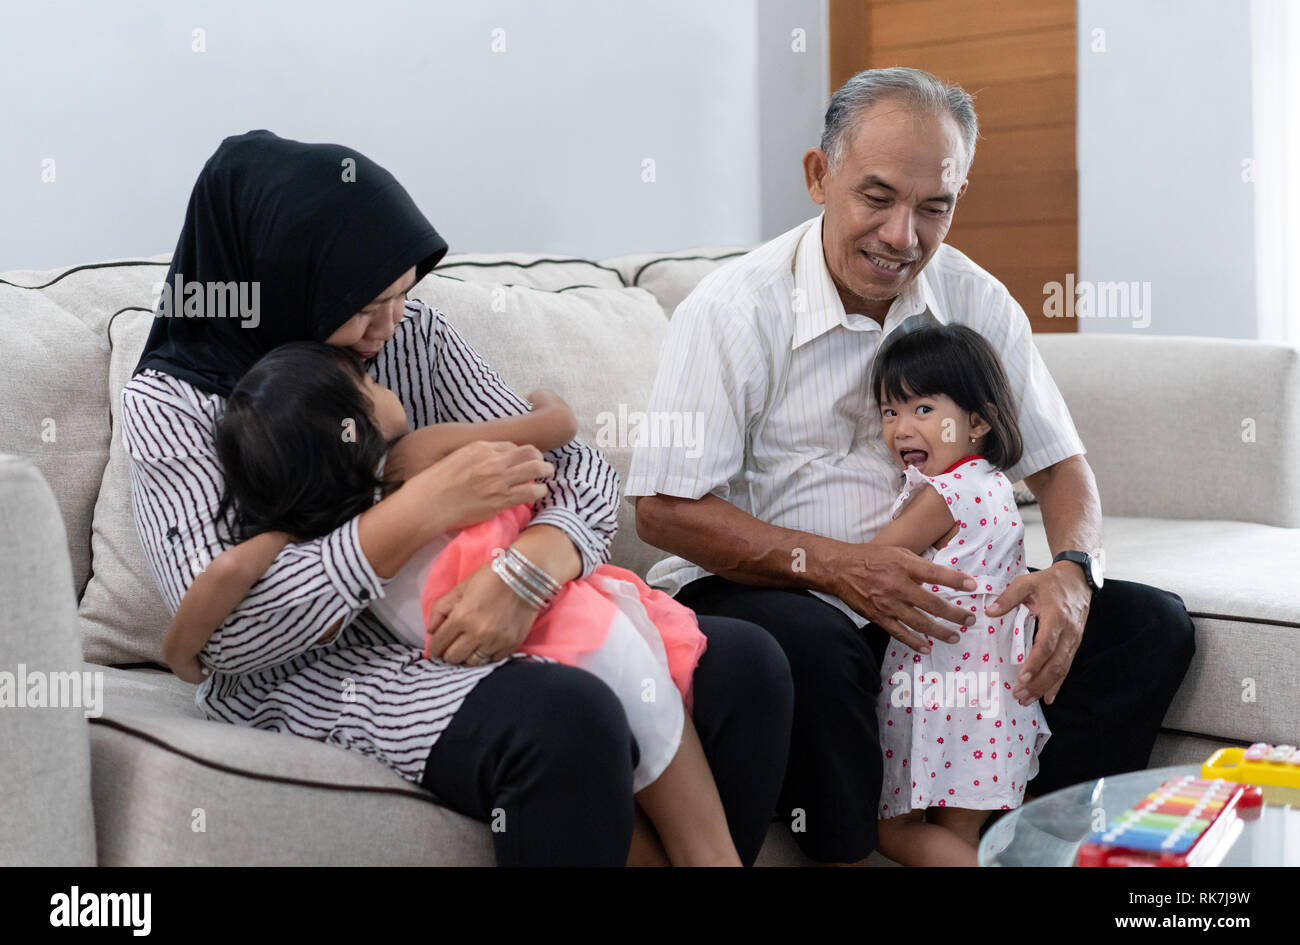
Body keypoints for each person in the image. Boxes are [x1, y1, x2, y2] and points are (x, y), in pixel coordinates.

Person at [124, 129, 793, 866]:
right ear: (287, 281)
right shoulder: (172, 406)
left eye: (402, 296)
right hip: (329, 675)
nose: (389, 327)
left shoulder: (411, 336)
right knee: (568, 720)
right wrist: (416, 513)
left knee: (748, 667)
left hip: (500, 609)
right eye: (365, 306)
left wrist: (532, 567)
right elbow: (229, 638)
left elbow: (577, 467)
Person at [626, 68, 1195, 864]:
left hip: (938, 607)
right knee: (815, 647)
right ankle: (854, 845)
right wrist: (842, 567)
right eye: (878, 197)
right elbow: (663, 510)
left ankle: (1024, 843)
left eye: (935, 207)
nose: (903, 236)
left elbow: (1062, 467)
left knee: (1148, 627)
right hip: (782, 587)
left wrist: (1072, 571)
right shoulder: (731, 309)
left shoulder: (975, 298)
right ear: (819, 176)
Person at [162, 340, 741, 866]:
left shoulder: (311, 528)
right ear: (356, 422)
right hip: (585, 635)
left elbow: (224, 574)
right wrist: (544, 399)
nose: (383, 383)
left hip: (512, 665)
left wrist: (187, 661)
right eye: (368, 383)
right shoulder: (414, 455)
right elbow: (553, 428)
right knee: (705, 846)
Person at [867, 323, 1050, 866]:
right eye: (889, 411)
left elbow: (870, 564)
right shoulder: (994, 484)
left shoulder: (945, 494)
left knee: (889, 830)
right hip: (994, 696)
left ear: (978, 422)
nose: (901, 428)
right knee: (961, 832)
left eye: (923, 409)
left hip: (941, 688)